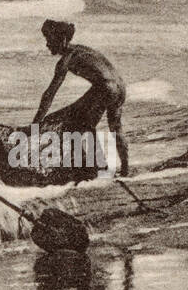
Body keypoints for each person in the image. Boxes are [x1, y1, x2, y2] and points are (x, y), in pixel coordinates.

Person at [31, 19, 130, 177]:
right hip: (120, 87)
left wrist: (36, 122)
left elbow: (50, 94)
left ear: (62, 39)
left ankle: (96, 170)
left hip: (104, 88)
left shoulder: (66, 61)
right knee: (115, 128)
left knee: (77, 125)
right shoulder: (82, 49)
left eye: (49, 39)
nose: (47, 45)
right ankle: (125, 170)